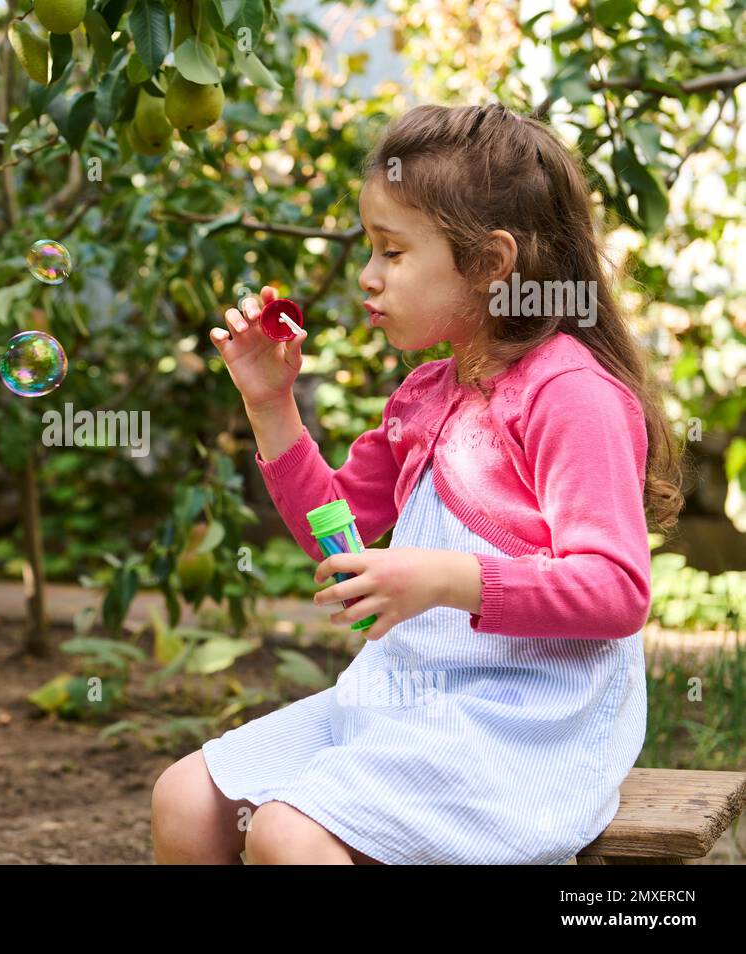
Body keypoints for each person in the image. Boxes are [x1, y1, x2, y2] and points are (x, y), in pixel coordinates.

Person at [151, 103, 685, 865]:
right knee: (185, 798)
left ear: (492, 262)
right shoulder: (427, 393)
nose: (367, 277)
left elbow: (616, 593)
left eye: (392, 252)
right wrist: (271, 408)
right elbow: (335, 537)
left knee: (285, 834)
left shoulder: (572, 394)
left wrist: (443, 579)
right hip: (406, 696)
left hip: (526, 722)